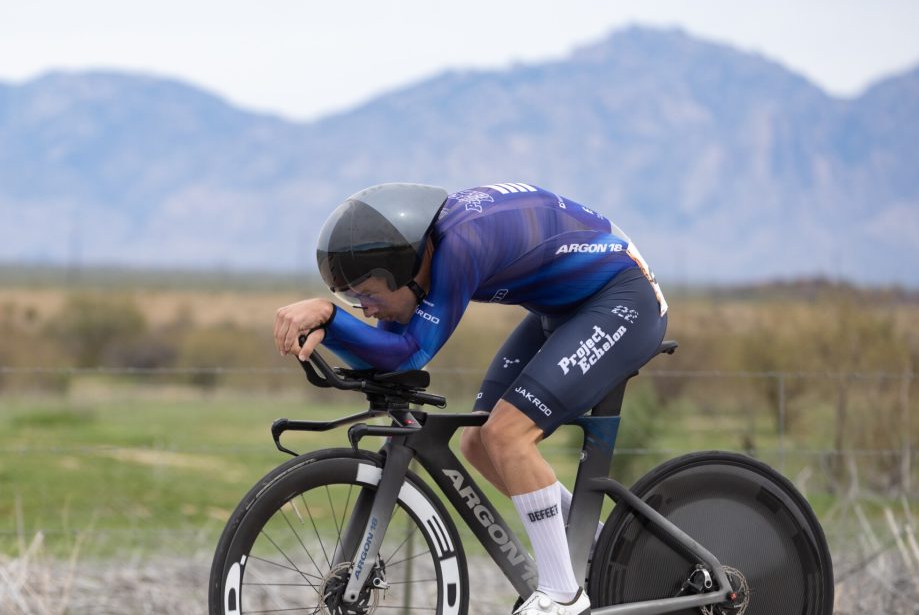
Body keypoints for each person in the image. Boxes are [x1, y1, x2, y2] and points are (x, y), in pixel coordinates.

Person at [273, 182, 668, 615]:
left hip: (621, 299)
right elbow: (390, 361)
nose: (365, 309)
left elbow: (409, 352)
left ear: (404, 269)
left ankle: (562, 594)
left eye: (367, 295)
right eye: (350, 299)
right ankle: (598, 547)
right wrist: (337, 330)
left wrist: (330, 319)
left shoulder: (460, 247)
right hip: (564, 308)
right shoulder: (423, 255)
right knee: (478, 441)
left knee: (507, 435)